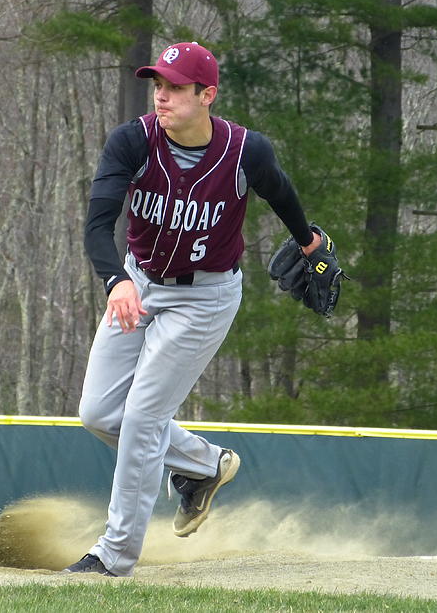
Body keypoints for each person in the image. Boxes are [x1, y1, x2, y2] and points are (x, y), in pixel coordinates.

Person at [65, 41, 322, 577]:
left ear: (208, 95)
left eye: (176, 87)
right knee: (98, 413)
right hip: (137, 282)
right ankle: (204, 465)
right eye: (158, 84)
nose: (162, 95)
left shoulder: (245, 152)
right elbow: (97, 224)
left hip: (204, 298)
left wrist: (309, 242)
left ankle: (113, 557)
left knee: (141, 418)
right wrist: (115, 279)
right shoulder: (132, 142)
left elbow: (282, 193)